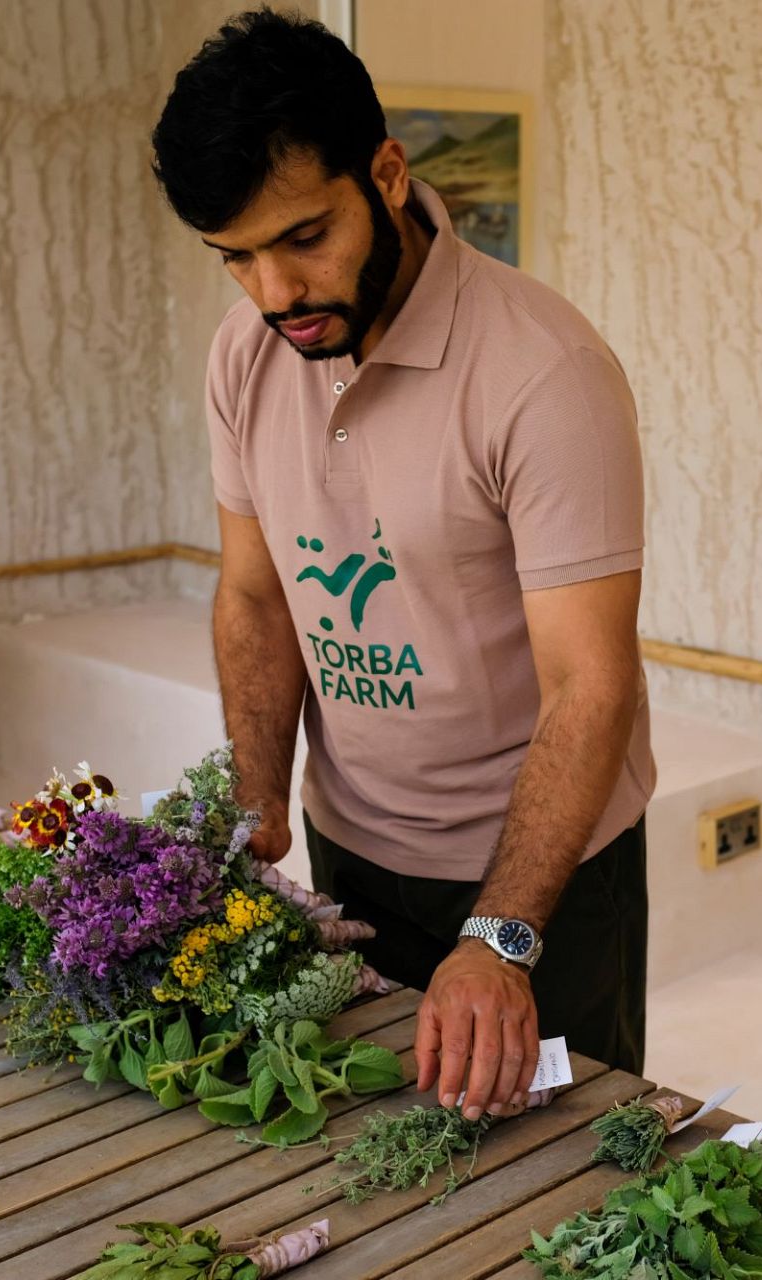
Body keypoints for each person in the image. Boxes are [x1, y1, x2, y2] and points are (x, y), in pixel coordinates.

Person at [152, 8, 655, 1124]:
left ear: (386, 174)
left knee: (557, 1189)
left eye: (302, 236)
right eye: (235, 257)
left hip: (547, 881)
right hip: (356, 850)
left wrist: (502, 934)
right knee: (385, 1160)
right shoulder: (247, 355)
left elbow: (593, 685)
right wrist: (254, 805)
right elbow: (256, 592)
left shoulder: (544, 373)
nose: (275, 292)